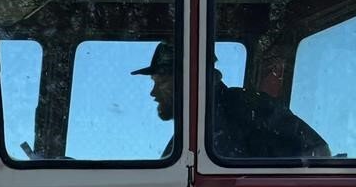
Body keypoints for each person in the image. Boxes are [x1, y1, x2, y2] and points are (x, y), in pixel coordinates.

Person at [133, 41, 331, 162]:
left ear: (189, 79)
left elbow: (318, 153)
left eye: (161, 82)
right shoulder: (189, 137)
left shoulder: (246, 107)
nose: (153, 93)